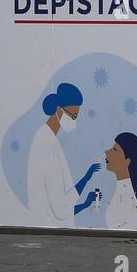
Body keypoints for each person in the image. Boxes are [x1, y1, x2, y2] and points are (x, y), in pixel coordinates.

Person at [26, 82, 98, 223]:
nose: (74, 121)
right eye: (73, 116)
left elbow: (62, 202)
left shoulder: (50, 139)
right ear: (59, 110)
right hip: (49, 226)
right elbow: (61, 208)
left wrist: (85, 201)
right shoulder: (46, 144)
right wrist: (85, 180)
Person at [103, 132, 137, 230]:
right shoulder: (125, 192)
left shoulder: (127, 197)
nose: (106, 151)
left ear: (127, 161)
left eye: (114, 149)